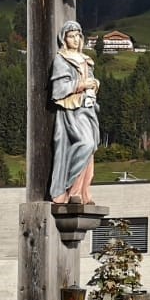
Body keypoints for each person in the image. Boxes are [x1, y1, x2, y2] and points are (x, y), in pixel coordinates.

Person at [49, 20, 99, 204]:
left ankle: (83, 193)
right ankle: (70, 188)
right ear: (64, 38)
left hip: (87, 109)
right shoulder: (61, 60)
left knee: (91, 148)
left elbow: (91, 80)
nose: (76, 39)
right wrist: (80, 85)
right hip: (71, 112)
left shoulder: (85, 59)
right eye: (71, 36)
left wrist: (93, 85)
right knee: (85, 144)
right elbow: (58, 89)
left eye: (78, 35)